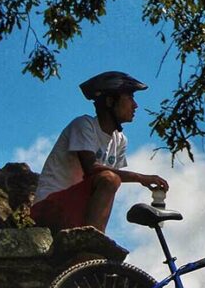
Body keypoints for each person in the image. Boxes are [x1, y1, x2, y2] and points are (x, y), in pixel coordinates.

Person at [29, 71, 169, 233]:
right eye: (130, 97)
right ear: (110, 101)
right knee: (110, 179)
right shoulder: (84, 125)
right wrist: (140, 178)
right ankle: (93, 241)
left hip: (77, 210)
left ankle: (93, 242)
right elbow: (91, 169)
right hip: (49, 207)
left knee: (111, 180)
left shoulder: (120, 140)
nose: (135, 105)